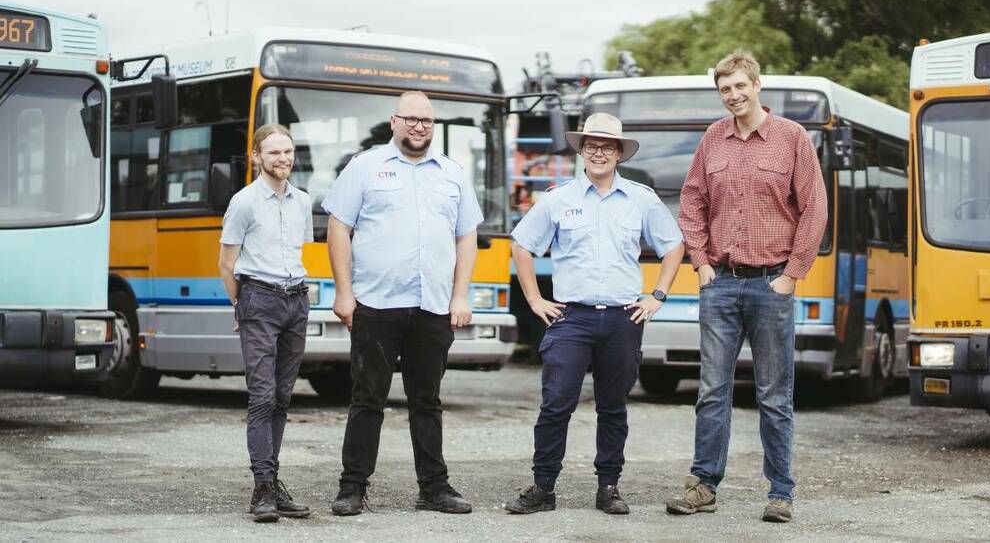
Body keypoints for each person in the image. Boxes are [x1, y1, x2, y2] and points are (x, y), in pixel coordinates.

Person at [668, 50, 828, 523]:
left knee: (774, 395)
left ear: (757, 85)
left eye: (740, 86)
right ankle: (703, 486)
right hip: (720, 284)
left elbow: (814, 208)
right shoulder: (712, 139)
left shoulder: (792, 138)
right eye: (725, 89)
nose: (733, 95)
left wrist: (791, 275)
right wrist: (700, 263)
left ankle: (780, 492)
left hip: (770, 285)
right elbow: (692, 201)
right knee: (711, 391)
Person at [504, 113, 685, 515]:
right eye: (591, 146)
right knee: (556, 404)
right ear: (581, 151)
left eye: (606, 147)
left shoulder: (641, 199)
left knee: (613, 407)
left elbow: (673, 245)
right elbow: (521, 245)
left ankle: (609, 488)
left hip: (623, 319)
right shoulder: (558, 198)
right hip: (571, 319)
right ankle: (543, 488)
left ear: (619, 153)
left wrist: (657, 295)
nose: (598, 153)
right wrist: (535, 300)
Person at [323, 91, 482, 516]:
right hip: (376, 303)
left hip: (433, 306)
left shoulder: (452, 173)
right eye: (410, 119)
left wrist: (460, 295)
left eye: (426, 121)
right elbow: (338, 228)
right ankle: (352, 487)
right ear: (394, 121)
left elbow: (466, 236)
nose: (418, 127)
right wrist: (344, 292)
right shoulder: (365, 166)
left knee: (427, 401)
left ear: (434, 126)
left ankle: (434, 488)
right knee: (367, 398)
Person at [218, 123, 313, 523]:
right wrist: (241, 306)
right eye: (274, 152)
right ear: (256, 156)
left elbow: (297, 251)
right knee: (262, 396)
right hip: (258, 298)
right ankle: (262, 489)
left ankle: (272, 482)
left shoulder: (303, 201)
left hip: (297, 300)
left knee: (282, 397)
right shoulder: (243, 202)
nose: (283, 159)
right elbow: (227, 263)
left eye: (288, 151)